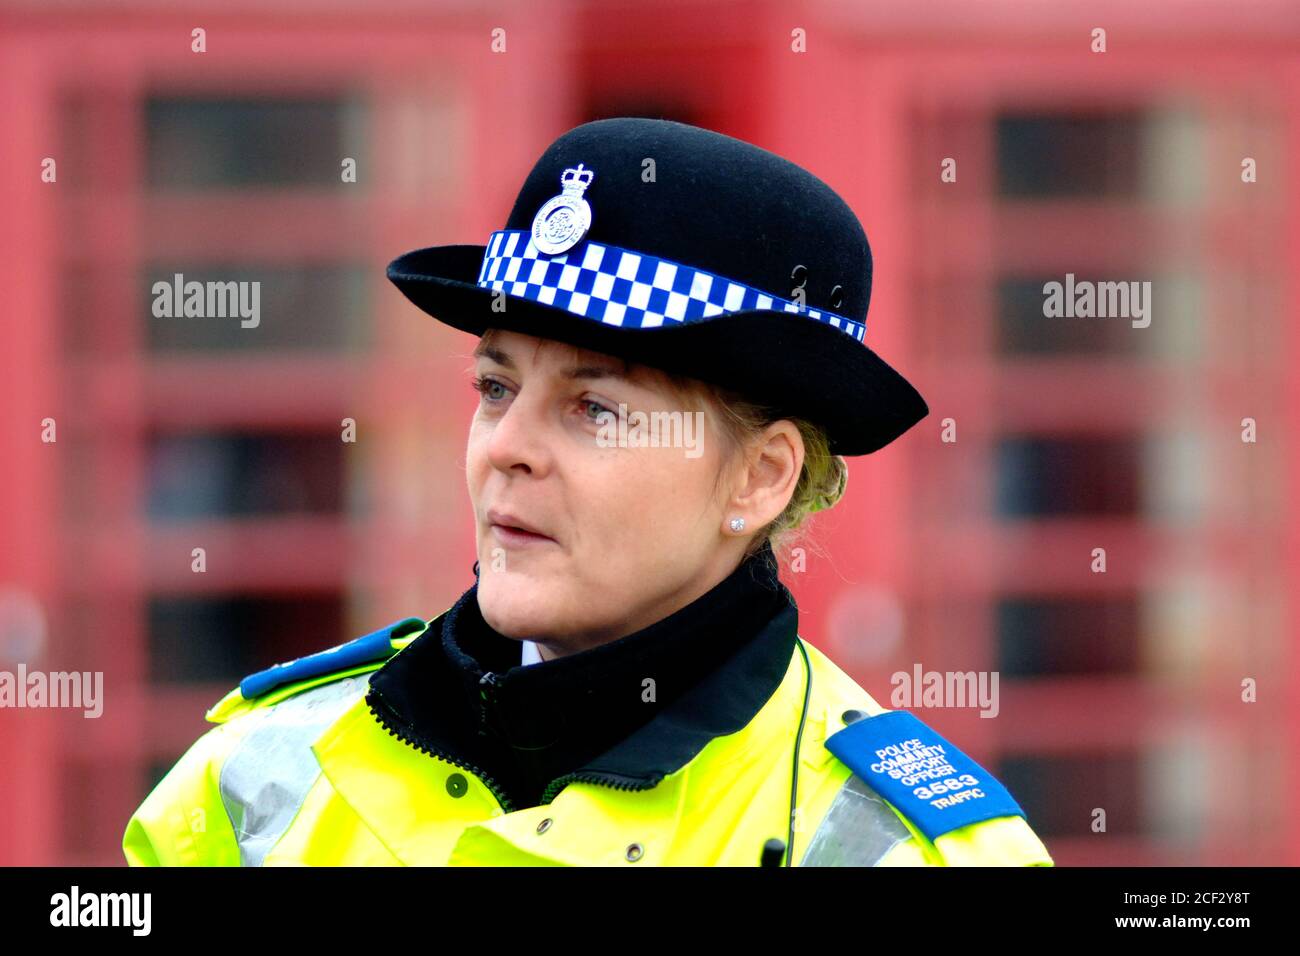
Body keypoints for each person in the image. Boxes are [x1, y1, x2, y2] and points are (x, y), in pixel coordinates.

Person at [122, 117, 1054, 867]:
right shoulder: (258, 767)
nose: (507, 450)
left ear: (762, 476)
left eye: (594, 408)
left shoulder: (917, 850)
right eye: (496, 388)